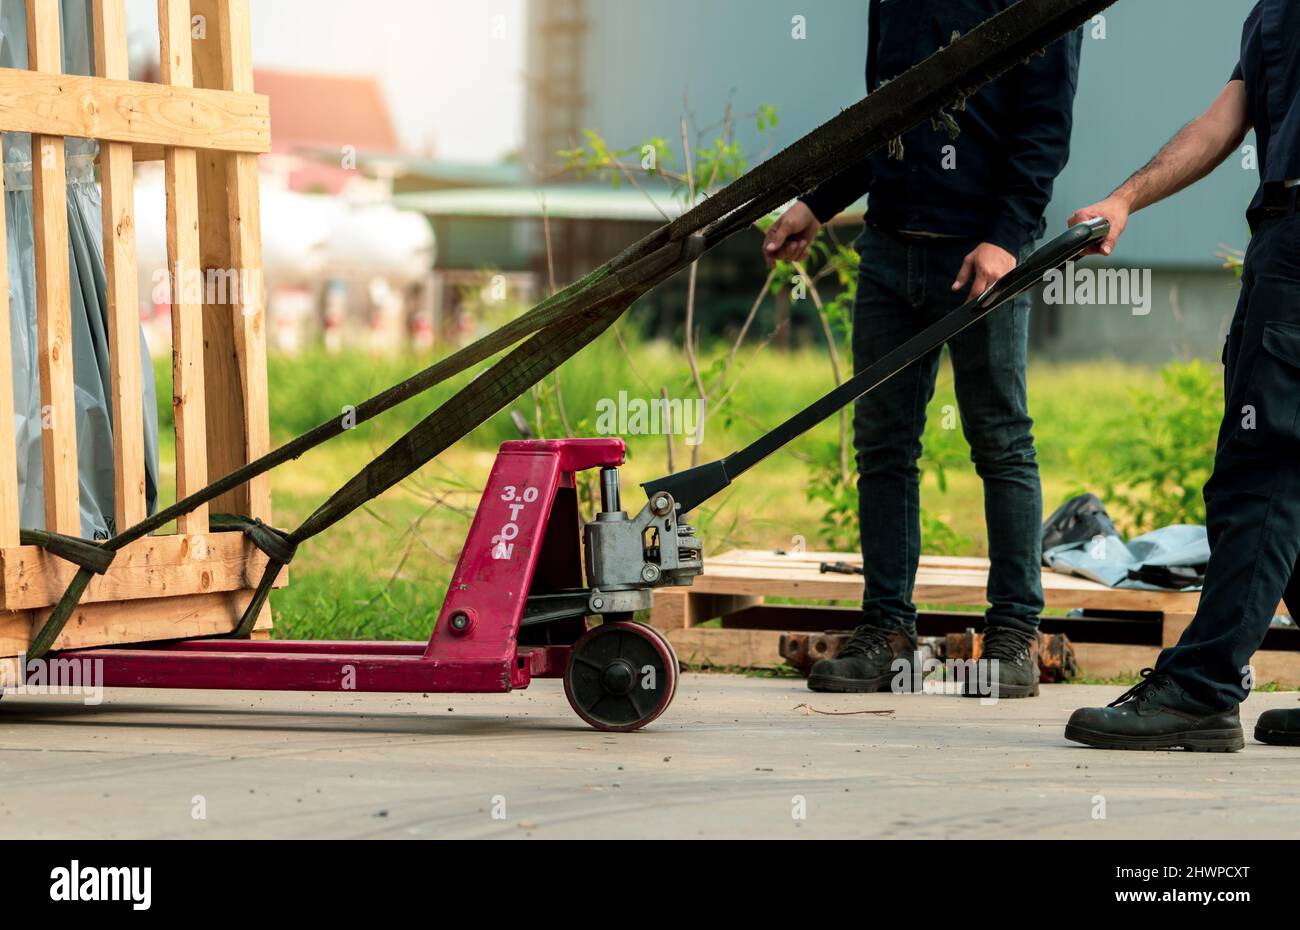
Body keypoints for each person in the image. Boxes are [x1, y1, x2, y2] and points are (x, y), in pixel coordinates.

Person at [763, 0, 1082, 698]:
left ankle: (1013, 636)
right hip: (889, 249)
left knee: (999, 440)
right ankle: (887, 633)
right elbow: (883, 117)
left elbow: (1044, 128)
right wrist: (818, 202)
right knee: (882, 445)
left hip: (984, 256)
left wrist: (1005, 237)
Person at [1065, 0, 1300, 751]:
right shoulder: (1275, 12)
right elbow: (1224, 119)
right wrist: (1124, 199)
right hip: (1280, 236)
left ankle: (1202, 688)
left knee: (1264, 473)